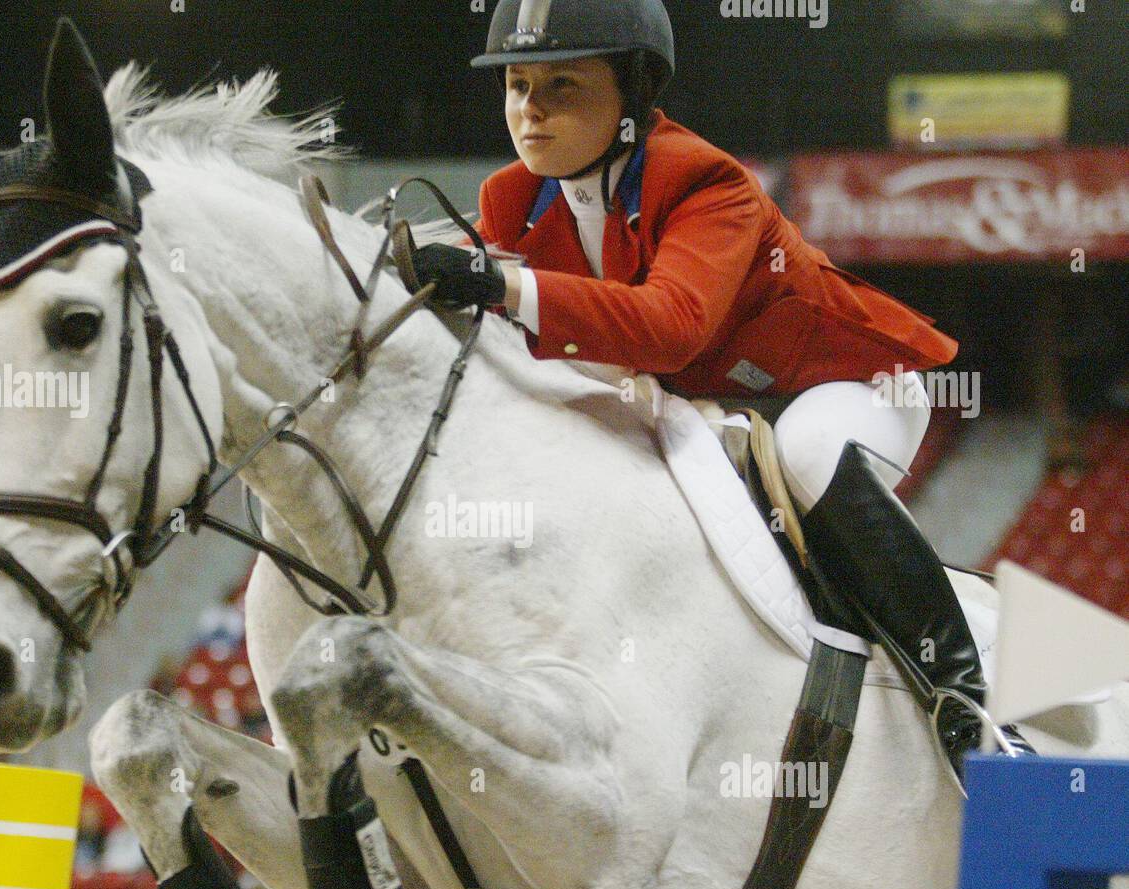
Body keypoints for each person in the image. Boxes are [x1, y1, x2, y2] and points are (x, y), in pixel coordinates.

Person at [410, 0, 1031, 770]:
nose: (529, 112)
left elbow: (672, 325)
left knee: (802, 451)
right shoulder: (514, 196)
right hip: (708, 401)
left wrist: (502, 287)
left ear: (634, 93)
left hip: (843, 383)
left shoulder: (706, 180)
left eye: (561, 87)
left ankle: (963, 700)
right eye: (516, 86)